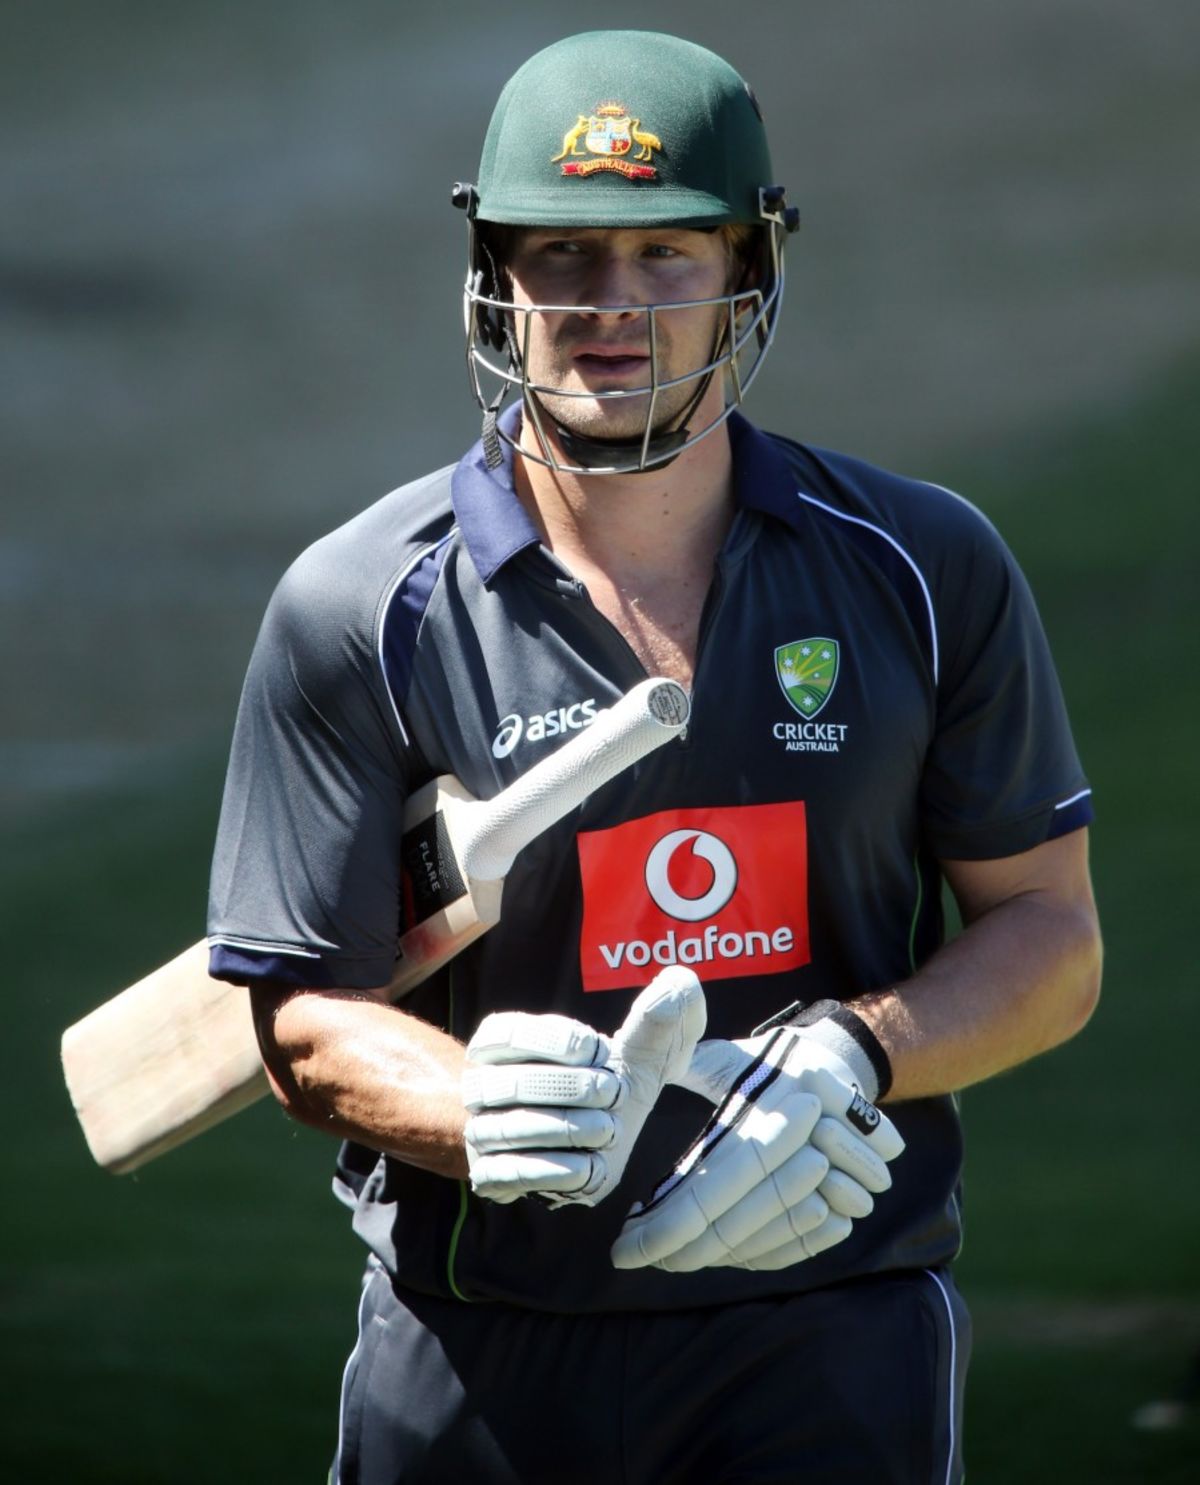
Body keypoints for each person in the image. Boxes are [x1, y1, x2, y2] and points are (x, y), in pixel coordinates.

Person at [206, 30, 1102, 1485]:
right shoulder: (356, 607)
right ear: (495, 273)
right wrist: (479, 1108)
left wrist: (856, 1050)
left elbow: (1051, 934)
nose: (610, 305)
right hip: (478, 1343)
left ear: (749, 272)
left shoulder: (925, 568)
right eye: (560, 255)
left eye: (667, 252)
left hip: (828, 1333)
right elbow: (301, 1010)